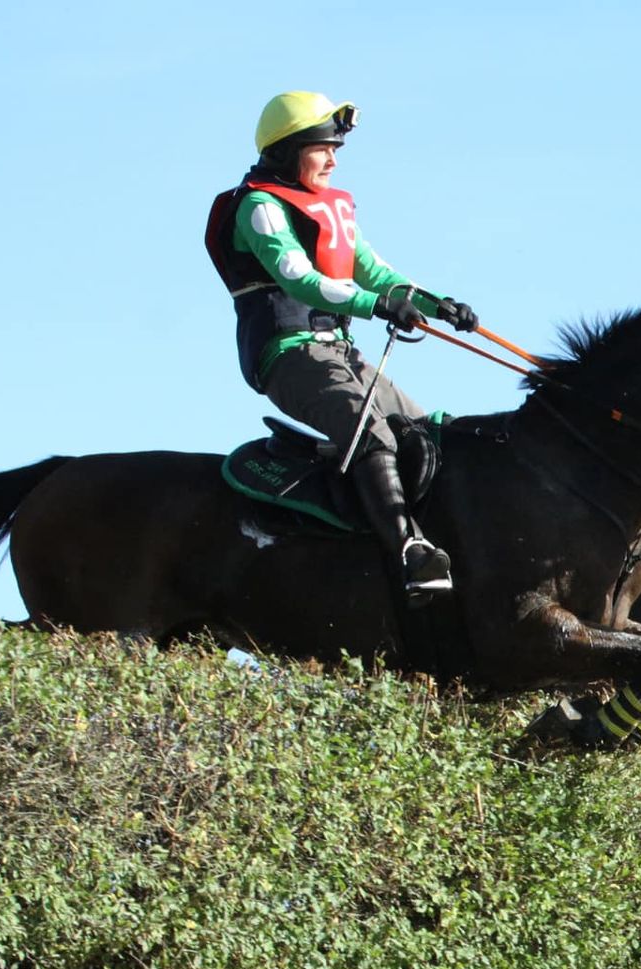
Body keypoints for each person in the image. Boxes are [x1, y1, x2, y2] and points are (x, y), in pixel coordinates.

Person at [205, 91, 479, 599]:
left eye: (336, 149)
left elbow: (375, 272)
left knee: (428, 432)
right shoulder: (259, 207)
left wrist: (438, 303)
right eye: (322, 148)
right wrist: (377, 306)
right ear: (286, 151)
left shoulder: (329, 207)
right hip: (288, 353)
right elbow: (300, 279)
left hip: (342, 352)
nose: (333, 159)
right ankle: (410, 553)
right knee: (370, 433)